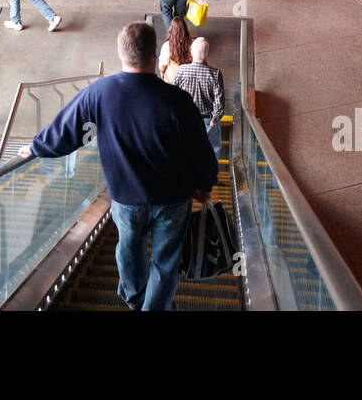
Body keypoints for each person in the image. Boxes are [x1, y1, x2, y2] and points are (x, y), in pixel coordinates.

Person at [23, 21, 216, 311]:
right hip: (173, 199)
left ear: (120, 53)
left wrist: (36, 148)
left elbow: (66, 130)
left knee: (129, 251)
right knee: (166, 262)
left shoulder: (99, 93)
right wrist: (204, 184)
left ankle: (136, 300)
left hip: (126, 199)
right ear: (155, 55)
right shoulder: (177, 100)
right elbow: (200, 150)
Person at [173, 38, 226, 158]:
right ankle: (210, 175)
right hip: (208, 121)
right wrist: (214, 121)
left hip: (185, 119)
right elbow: (219, 103)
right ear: (207, 53)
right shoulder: (215, 73)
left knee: (186, 150)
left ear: (191, 53)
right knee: (211, 151)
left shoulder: (181, 70)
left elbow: (172, 96)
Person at [157, 16, 192, 83]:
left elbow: (162, 66)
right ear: (185, 29)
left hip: (172, 79)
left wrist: (162, 74)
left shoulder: (167, 46)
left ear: (171, 30)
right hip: (187, 78)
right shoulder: (192, 44)